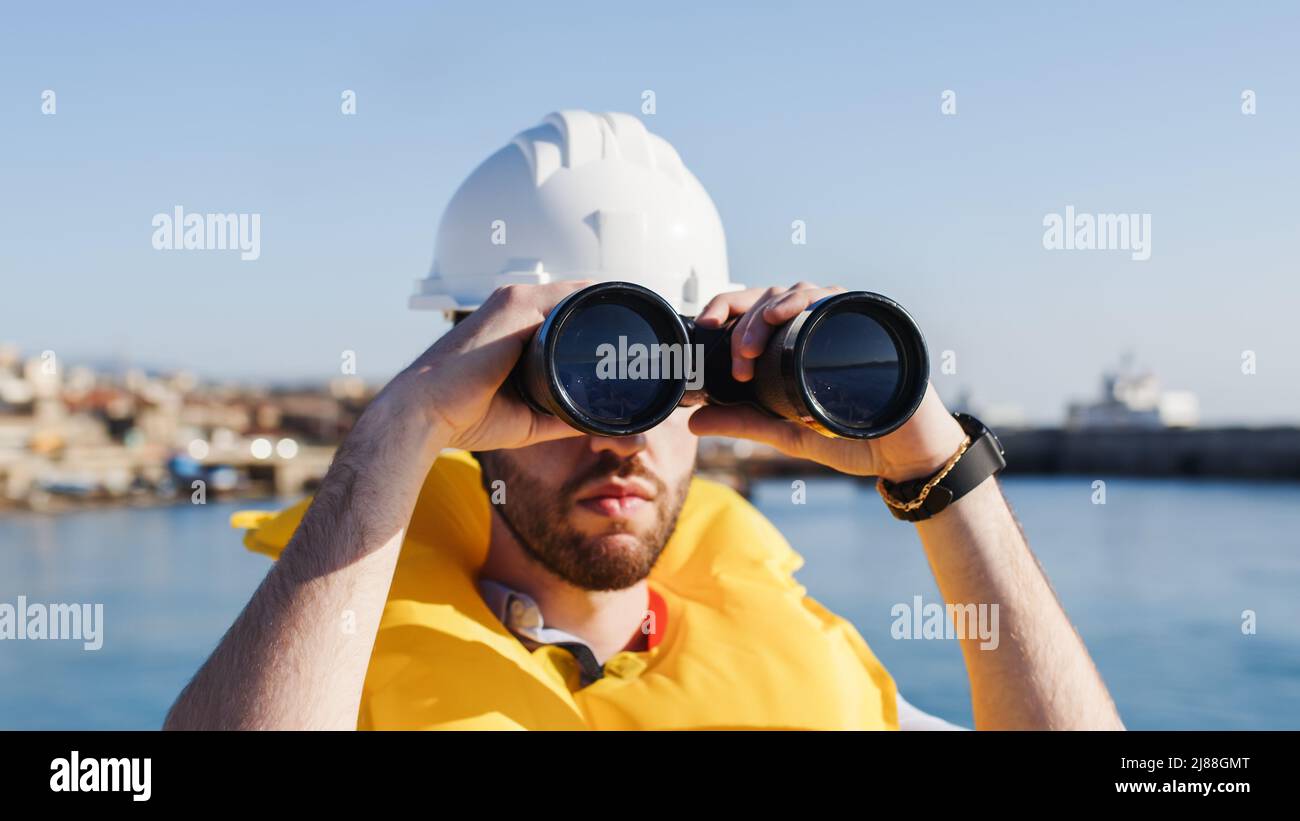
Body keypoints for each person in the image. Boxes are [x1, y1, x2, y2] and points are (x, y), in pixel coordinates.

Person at [164, 112, 1123, 731]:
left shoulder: (811, 678)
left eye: (661, 370)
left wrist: (940, 469)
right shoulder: (322, 675)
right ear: (477, 372)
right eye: (584, 373)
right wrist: (398, 430)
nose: (620, 433)